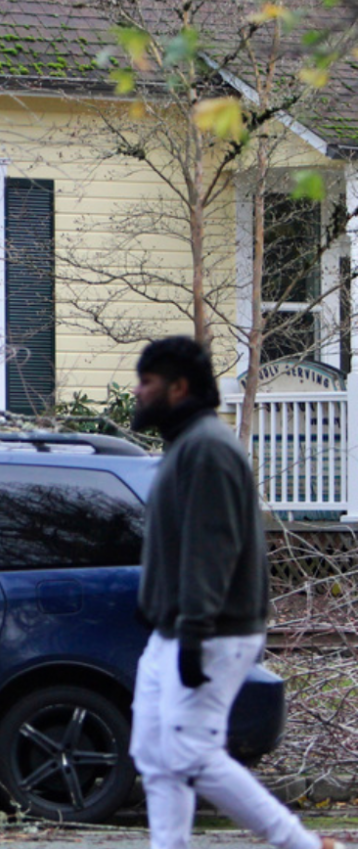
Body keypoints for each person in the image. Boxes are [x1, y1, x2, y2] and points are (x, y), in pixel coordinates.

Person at [129, 337, 344, 849]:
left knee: (190, 755)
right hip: (175, 629)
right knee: (156, 754)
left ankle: (302, 845)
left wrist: (195, 633)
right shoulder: (187, 444)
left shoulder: (208, 449)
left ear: (179, 388)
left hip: (211, 631)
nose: (138, 391)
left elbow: (213, 546)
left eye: (148, 382)